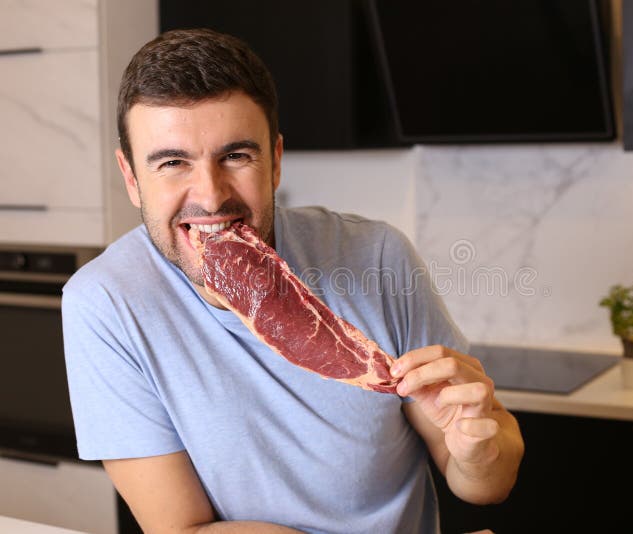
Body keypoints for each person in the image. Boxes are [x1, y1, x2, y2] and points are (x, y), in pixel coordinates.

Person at [62, 28, 524, 534]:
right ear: (131, 178)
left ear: (276, 160)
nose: (211, 197)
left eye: (236, 156)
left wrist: (477, 452)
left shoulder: (376, 255)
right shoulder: (105, 304)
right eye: (172, 163)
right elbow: (181, 530)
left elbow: (486, 485)